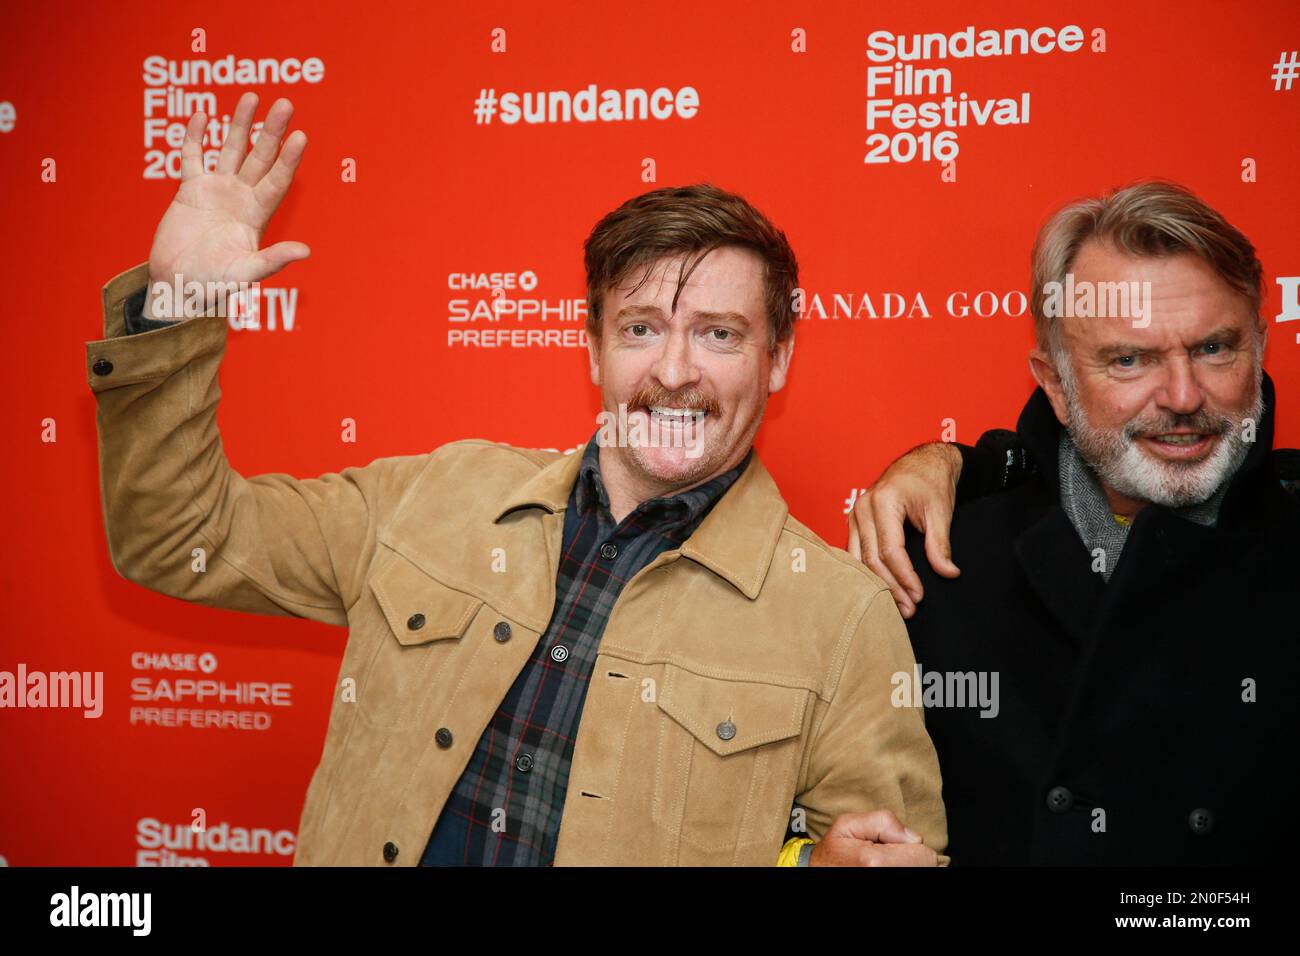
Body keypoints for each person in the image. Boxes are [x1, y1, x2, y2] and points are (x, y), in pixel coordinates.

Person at [87, 93, 946, 866]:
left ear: (779, 358)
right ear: (592, 347)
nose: (676, 370)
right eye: (641, 327)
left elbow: (888, 856)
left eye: (719, 335)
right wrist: (179, 310)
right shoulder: (436, 495)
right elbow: (179, 539)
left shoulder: (841, 619)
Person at [849, 181, 1299, 864]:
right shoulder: (940, 570)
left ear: (1259, 349)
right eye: (1129, 359)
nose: (1182, 397)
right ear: (1055, 384)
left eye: (1214, 349)